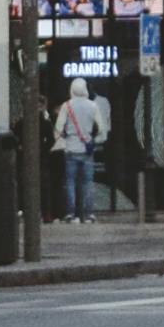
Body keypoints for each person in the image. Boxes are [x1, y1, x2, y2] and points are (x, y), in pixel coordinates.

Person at [52, 73, 98, 225]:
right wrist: (94, 139)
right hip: (86, 150)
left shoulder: (67, 106)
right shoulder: (93, 105)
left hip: (71, 149)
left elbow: (58, 128)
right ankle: (89, 214)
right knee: (88, 182)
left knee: (70, 182)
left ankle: (71, 214)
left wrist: (66, 137)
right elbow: (102, 128)